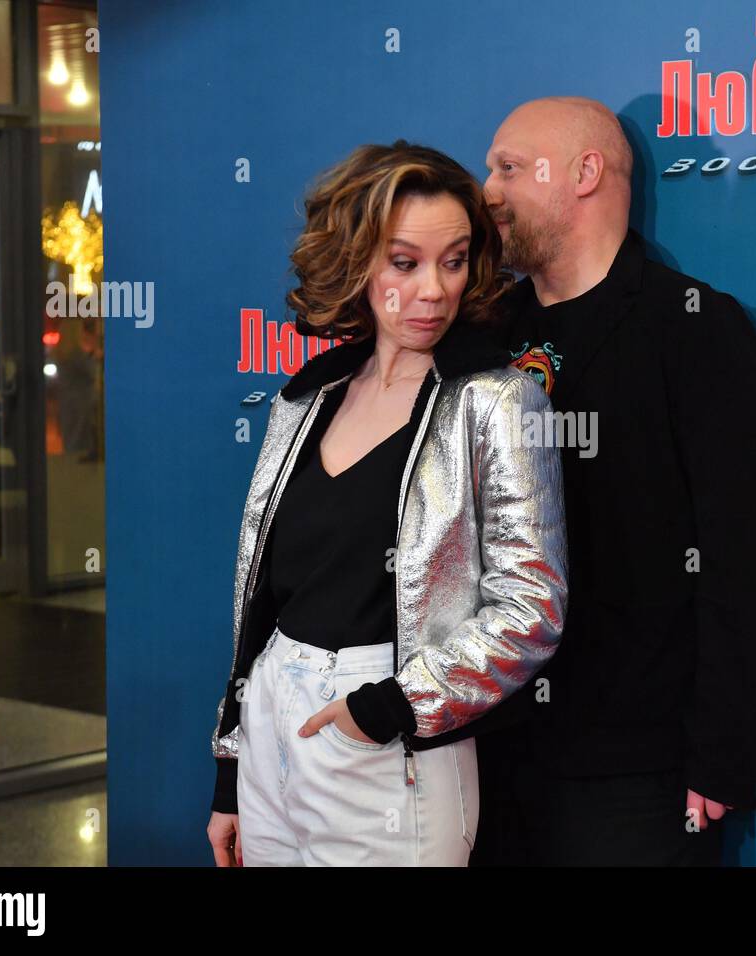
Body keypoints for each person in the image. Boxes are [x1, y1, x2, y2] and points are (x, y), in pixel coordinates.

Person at [206, 141, 568, 866]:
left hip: (389, 734)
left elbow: (532, 607)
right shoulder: (306, 399)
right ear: (356, 262)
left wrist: (388, 708)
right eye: (404, 262)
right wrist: (231, 766)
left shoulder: (496, 399)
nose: (433, 289)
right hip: (274, 720)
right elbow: (263, 599)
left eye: (455, 260)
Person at [473, 97, 756, 866]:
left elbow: (741, 558)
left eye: (508, 168)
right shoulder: (482, 331)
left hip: (634, 774)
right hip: (487, 748)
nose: (487, 190)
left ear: (585, 173)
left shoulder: (693, 328)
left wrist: (719, 757)